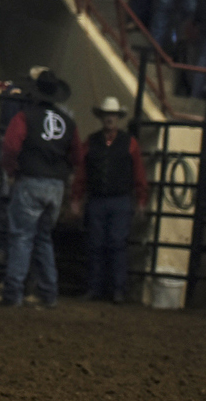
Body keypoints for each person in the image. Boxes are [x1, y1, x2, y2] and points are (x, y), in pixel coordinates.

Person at [0, 70, 82, 307]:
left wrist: (11, 170)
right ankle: (48, 293)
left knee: (22, 237)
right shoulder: (68, 122)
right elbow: (76, 155)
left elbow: (11, 146)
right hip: (55, 185)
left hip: (31, 180)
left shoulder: (25, 117)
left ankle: (13, 292)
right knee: (43, 238)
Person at [75, 96, 147, 304]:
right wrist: (77, 197)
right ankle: (106, 289)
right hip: (105, 199)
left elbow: (138, 173)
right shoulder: (101, 142)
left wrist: (141, 198)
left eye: (112, 115)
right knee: (99, 244)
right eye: (108, 115)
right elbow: (82, 173)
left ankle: (112, 289)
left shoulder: (125, 143)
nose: (110, 119)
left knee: (114, 244)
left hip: (115, 199)